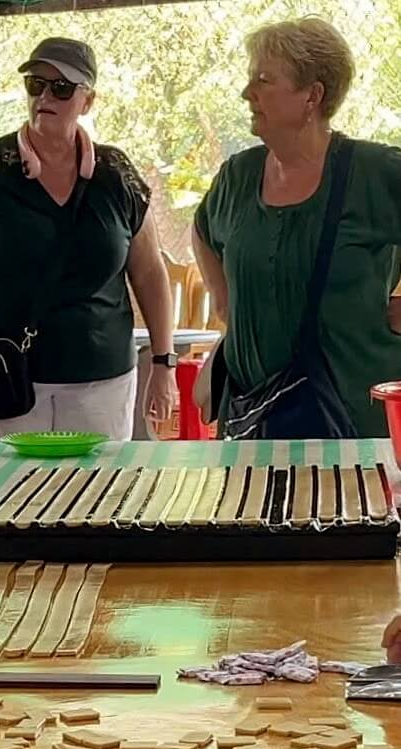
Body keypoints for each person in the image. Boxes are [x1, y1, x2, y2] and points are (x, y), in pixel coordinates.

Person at [0, 38, 176, 442]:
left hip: (101, 384)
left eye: (61, 88)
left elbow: (150, 273)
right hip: (4, 381)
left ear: (88, 101)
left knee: (96, 501)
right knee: (5, 500)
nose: (45, 96)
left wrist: (164, 364)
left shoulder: (115, 174)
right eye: (35, 84)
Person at [193, 17, 401, 439]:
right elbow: (203, 232)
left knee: (346, 507)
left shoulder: (371, 172)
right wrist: (226, 306)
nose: (246, 94)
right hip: (254, 418)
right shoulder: (238, 176)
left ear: (313, 95)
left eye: (264, 81)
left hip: (350, 424)